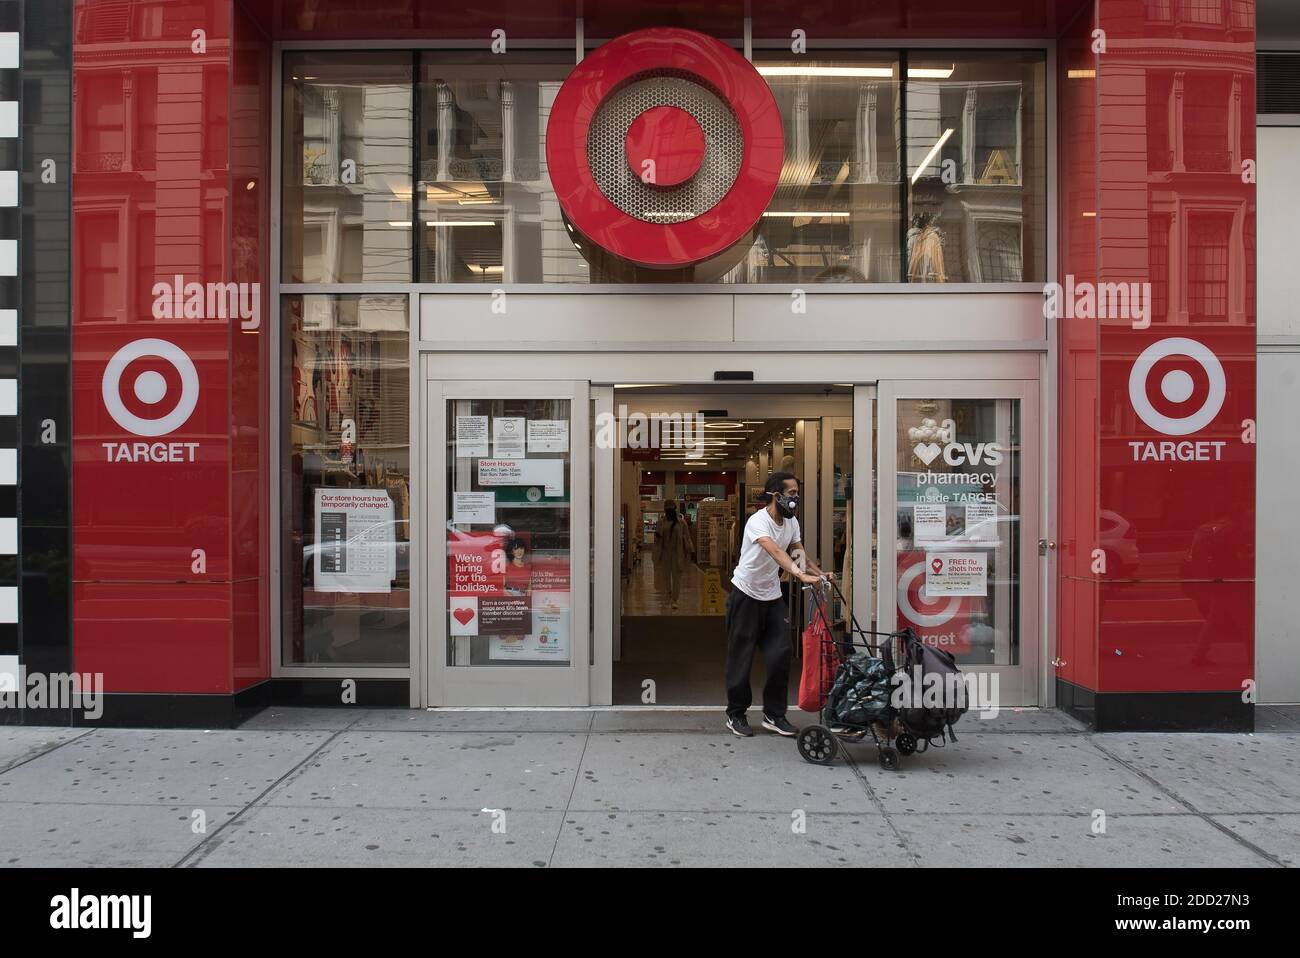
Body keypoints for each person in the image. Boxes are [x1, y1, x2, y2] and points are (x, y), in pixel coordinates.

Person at [724, 472, 830, 738]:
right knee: (741, 657)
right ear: (776, 496)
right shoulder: (757, 521)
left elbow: (797, 552)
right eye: (792, 493)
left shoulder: (791, 523)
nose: (796, 498)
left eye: (796, 493)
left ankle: (774, 714)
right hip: (745, 594)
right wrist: (799, 575)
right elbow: (775, 551)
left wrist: (817, 572)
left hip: (771, 597)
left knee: (780, 654)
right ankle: (736, 713)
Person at [653, 501, 693, 610]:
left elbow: (687, 537)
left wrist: (690, 550)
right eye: (667, 509)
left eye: (671, 509)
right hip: (665, 553)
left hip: (677, 553)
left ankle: (675, 599)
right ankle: (669, 593)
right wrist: (656, 554)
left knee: (677, 578)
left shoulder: (681, 523)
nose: (669, 511)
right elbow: (657, 541)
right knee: (665, 577)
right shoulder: (661, 522)